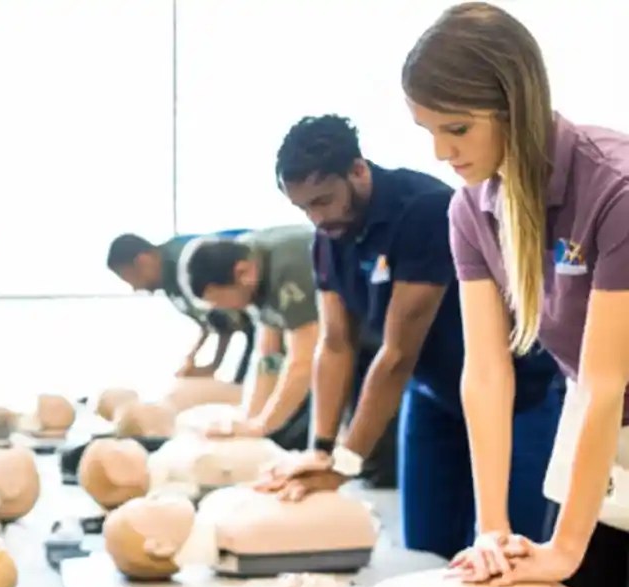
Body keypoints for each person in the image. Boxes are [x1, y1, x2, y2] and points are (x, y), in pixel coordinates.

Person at [404, 2, 629, 587]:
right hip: (599, 419)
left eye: (457, 128)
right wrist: (492, 529)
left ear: (515, 105)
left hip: (607, 399)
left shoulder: (615, 189)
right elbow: (485, 373)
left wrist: (564, 547)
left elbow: (606, 381)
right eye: (427, 130)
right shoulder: (470, 210)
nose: (442, 152)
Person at [259, 113, 563, 561]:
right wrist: (319, 450)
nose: (316, 218)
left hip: (516, 394)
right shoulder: (328, 236)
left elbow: (398, 353)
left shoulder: (424, 210)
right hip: (434, 393)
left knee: (511, 549)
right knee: (426, 548)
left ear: (358, 170)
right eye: (304, 208)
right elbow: (336, 343)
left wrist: (347, 462)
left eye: (323, 201)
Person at [183, 226, 317, 449]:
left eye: (221, 301)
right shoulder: (248, 263)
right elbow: (267, 355)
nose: (226, 310)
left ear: (242, 273)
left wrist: (262, 426)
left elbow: (304, 361)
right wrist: (249, 420)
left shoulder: (288, 268)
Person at [106, 232, 255, 381]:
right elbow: (209, 321)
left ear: (143, 261)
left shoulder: (185, 265)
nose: (135, 287)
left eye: (130, 277)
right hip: (251, 316)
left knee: (249, 385)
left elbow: (223, 319)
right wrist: (193, 357)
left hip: (259, 304)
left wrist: (213, 366)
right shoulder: (167, 278)